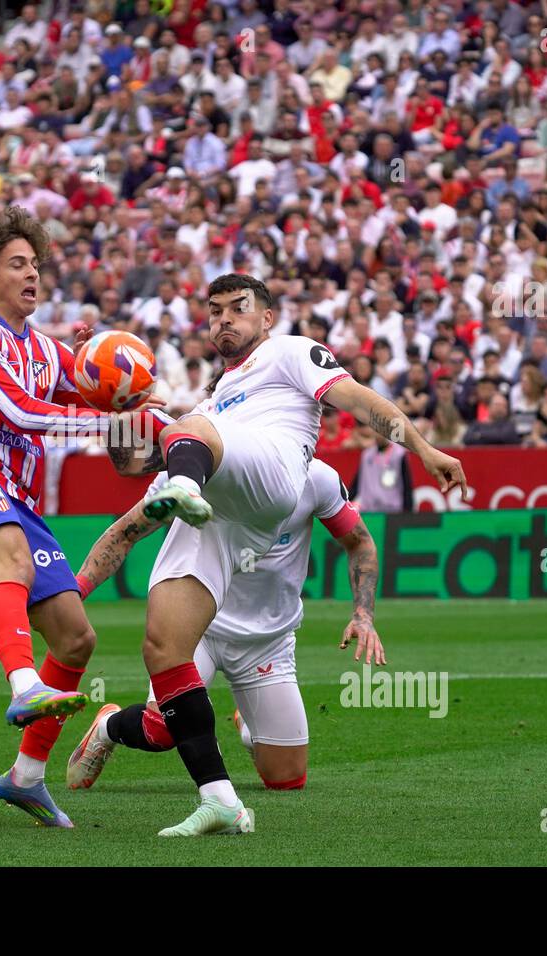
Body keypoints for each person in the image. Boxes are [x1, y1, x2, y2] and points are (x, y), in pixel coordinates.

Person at [107, 273, 467, 835]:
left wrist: (421, 448)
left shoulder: (291, 354)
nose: (224, 319)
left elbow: (359, 401)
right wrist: (112, 402)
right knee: (158, 724)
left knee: (287, 775)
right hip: (219, 565)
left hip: (266, 579)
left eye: (238, 309)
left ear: (267, 318)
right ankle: (119, 732)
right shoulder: (214, 401)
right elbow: (131, 464)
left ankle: (246, 718)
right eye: (215, 310)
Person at [0, 206, 165, 828]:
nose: (33, 275)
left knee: (77, 637)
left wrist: (167, 413)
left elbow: (101, 387)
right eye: (18, 265)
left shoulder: (45, 348)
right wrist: (106, 420)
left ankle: (25, 777)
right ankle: (23, 683)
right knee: (12, 564)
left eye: (36, 265)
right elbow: (24, 412)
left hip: (19, 500)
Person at [67, 456, 383, 792]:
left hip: (268, 641)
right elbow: (124, 534)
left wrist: (363, 615)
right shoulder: (191, 471)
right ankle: (108, 727)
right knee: (161, 731)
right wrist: (75, 593)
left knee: (287, 778)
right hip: (194, 630)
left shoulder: (315, 477)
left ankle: (249, 724)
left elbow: (359, 542)